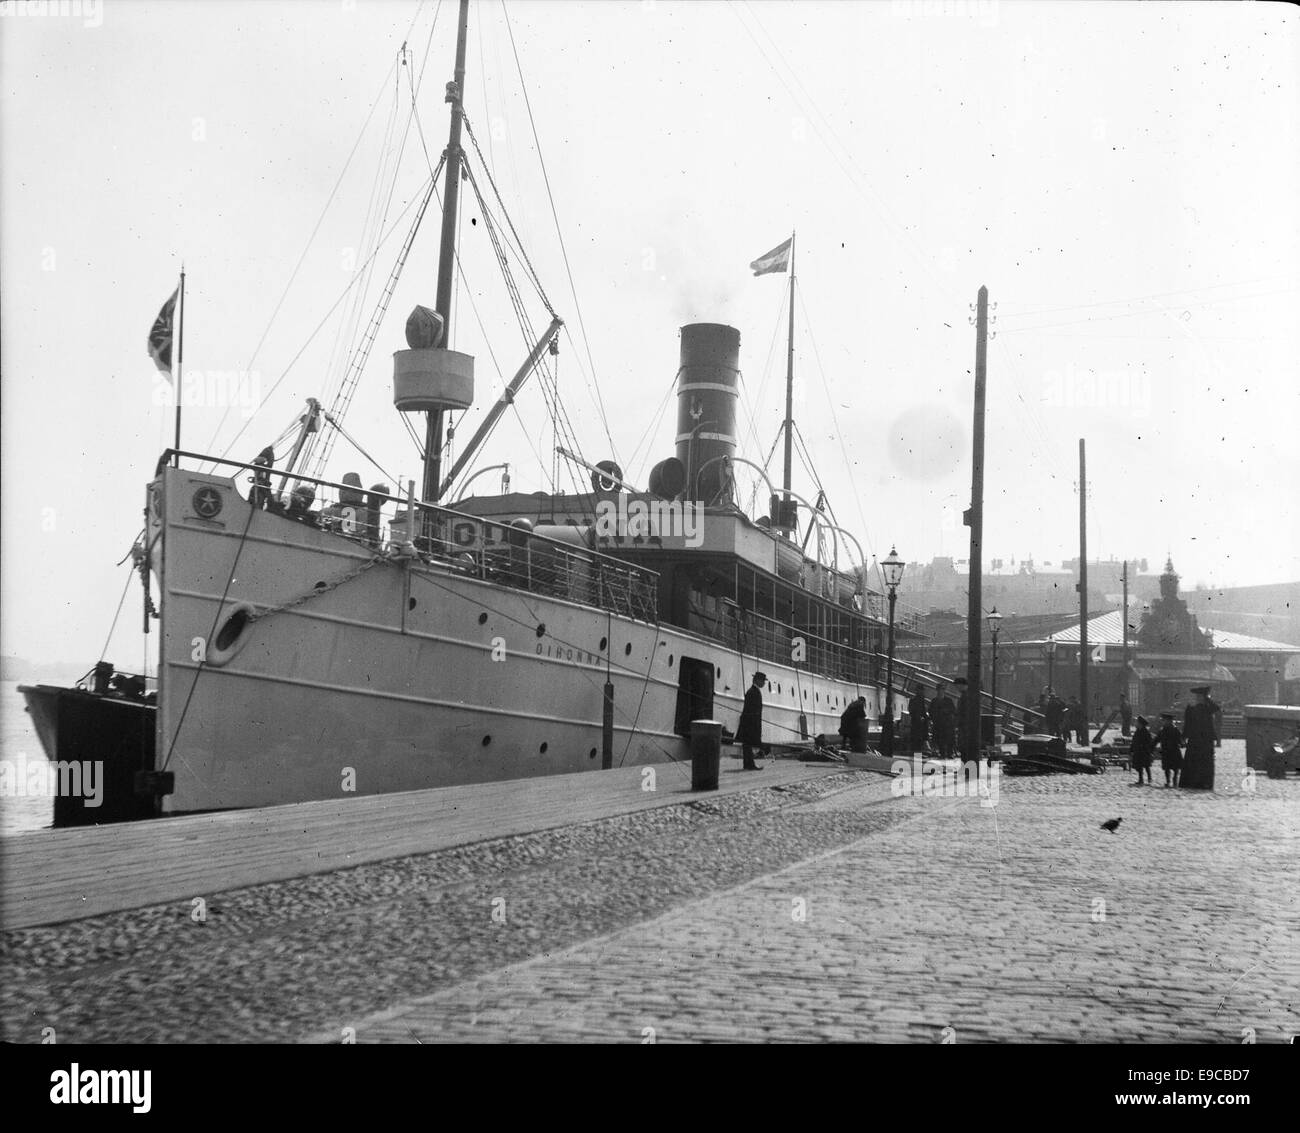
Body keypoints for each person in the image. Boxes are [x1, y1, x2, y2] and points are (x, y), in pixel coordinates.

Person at [1181, 685, 1221, 790]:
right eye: (1197, 696)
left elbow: (1217, 708)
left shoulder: (1208, 708)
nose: (1198, 698)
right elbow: (1187, 724)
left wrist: (1207, 699)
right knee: (1193, 762)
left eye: (1200, 696)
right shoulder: (1191, 708)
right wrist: (1184, 737)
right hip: (1195, 739)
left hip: (1206, 740)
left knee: (1205, 763)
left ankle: (1204, 783)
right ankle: (1191, 783)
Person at [737, 671, 766, 771]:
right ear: (757, 680)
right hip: (750, 722)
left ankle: (748, 764)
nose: (764, 683)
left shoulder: (752, 691)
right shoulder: (753, 692)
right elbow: (751, 710)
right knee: (748, 743)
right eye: (762, 681)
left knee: (747, 744)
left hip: (748, 721)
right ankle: (750, 764)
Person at [1156, 711, 1183, 787]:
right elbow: (1157, 739)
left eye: (1164, 720)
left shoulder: (1175, 729)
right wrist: (1151, 747)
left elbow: (1180, 740)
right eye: (1163, 720)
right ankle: (1168, 781)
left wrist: (1181, 743)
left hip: (1174, 751)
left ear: (1170, 721)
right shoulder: (1162, 730)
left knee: (1175, 768)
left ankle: (1174, 780)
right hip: (1166, 751)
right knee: (1167, 768)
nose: (1163, 722)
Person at [1129, 715, 1154, 786]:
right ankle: (1141, 779)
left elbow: (1149, 742)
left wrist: (1147, 749)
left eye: (1137, 722)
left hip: (1144, 752)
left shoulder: (1146, 732)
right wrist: (1131, 750)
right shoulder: (1137, 732)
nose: (1135, 723)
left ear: (1140, 724)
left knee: (1146, 766)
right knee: (1139, 766)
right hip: (1138, 751)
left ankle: (1149, 777)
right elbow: (1134, 741)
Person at [908, 687, 929, 753]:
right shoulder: (919, 699)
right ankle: (918, 753)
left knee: (917, 739)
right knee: (918, 739)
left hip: (917, 722)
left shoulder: (916, 699)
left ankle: (917, 753)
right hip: (918, 722)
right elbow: (920, 711)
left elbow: (911, 710)